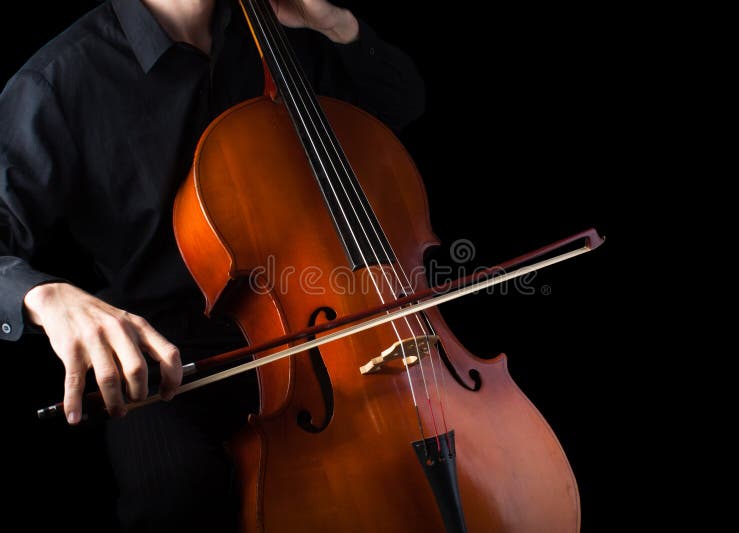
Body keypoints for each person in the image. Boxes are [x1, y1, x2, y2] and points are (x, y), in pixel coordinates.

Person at [0, 0, 424, 530]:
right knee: (175, 493)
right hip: (173, 363)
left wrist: (338, 25)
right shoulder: (58, 81)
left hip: (332, 328)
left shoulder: (281, 22)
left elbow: (400, 104)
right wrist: (42, 294)